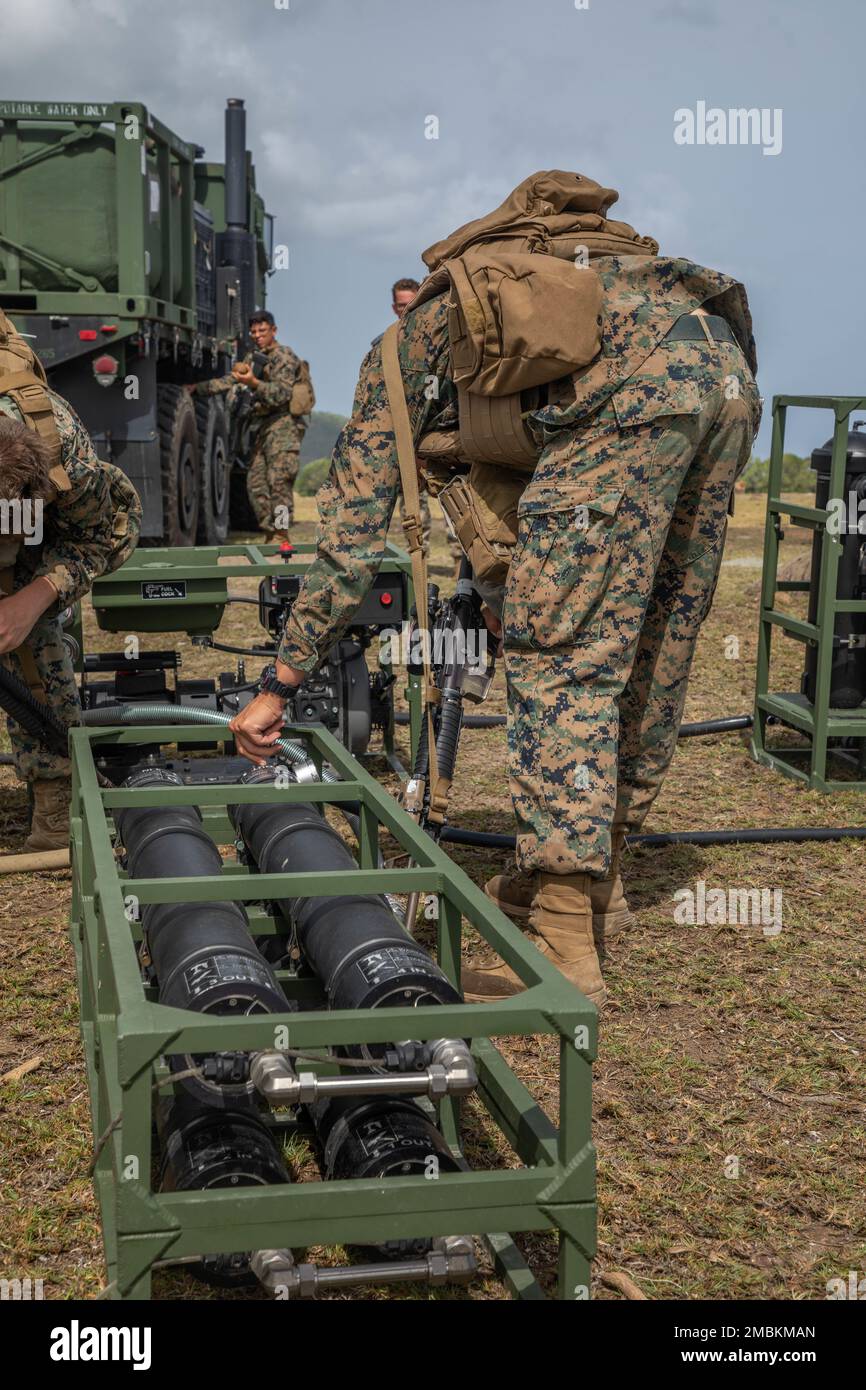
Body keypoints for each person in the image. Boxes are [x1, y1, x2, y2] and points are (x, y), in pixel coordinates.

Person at [229, 171, 760, 1009]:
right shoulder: (595, 278)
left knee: (562, 660)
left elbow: (351, 543)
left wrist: (281, 681)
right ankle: (595, 878)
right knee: (653, 639)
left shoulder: (402, 353)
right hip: (725, 375)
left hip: (629, 406)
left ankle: (559, 946)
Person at [0, 335, 142, 850]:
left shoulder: (60, 443)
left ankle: (56, 792)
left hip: (38, 548)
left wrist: (37, 594)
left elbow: (109, 532)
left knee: (27, 630)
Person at [195, 310, 314, 539]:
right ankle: (271, 531)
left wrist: (254, 383)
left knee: (279, 483)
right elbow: (229, 381)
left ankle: (281, 534)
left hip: (284, 425)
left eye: (262, 331)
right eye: (254, 332)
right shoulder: (254, 357)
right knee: (255, 483)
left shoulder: (284, 357)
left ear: (273, 331)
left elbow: (281, 394)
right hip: (262, 427)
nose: (258, 336)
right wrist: (196, 389)